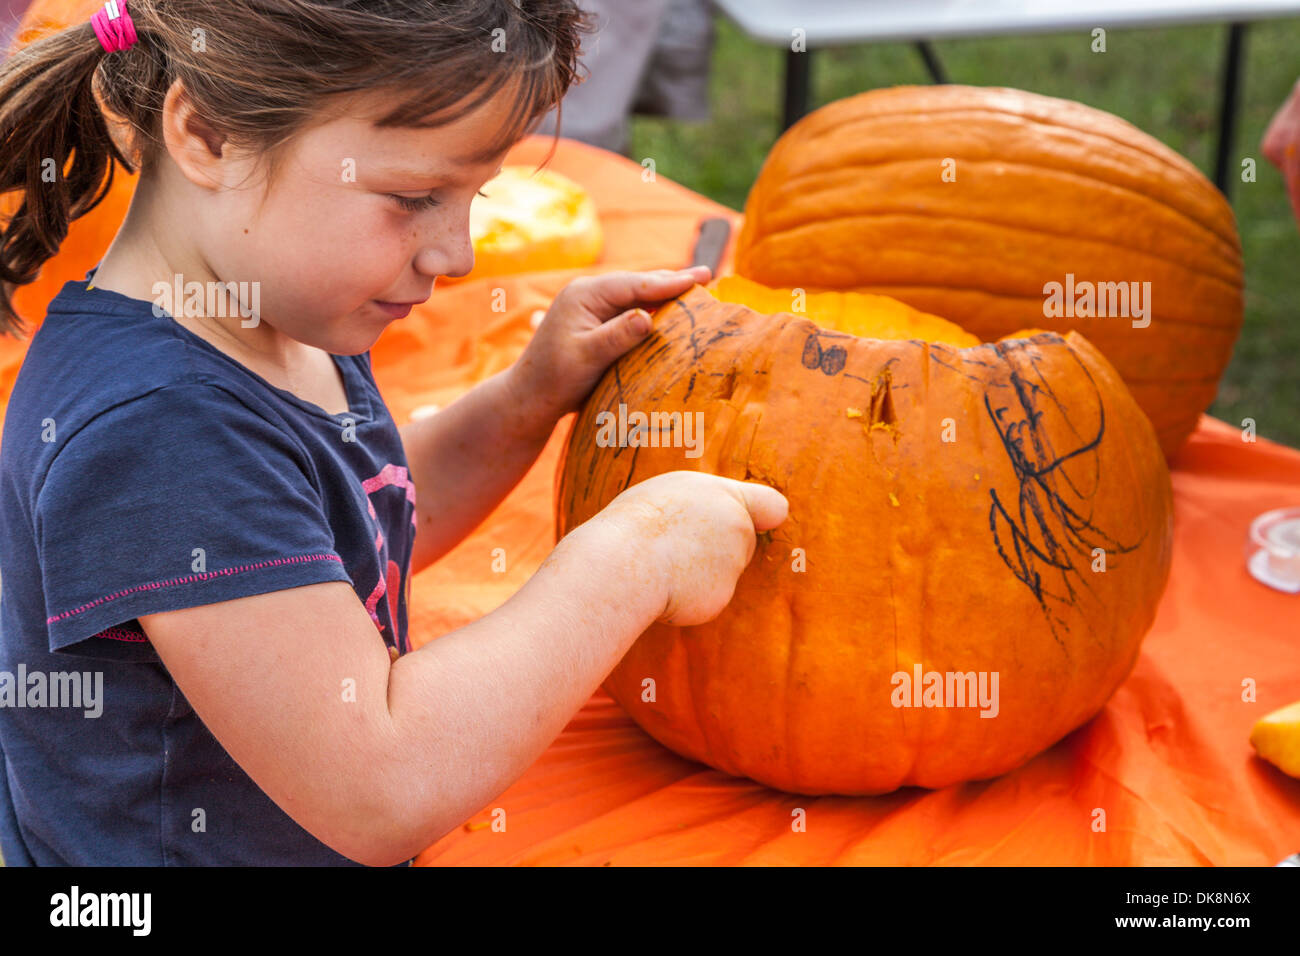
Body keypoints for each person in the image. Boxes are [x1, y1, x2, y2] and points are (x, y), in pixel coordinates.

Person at [0, 0, 787, 866]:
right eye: (413, 197)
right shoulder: (161, 431)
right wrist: (633, 560)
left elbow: (352, 525)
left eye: (472, 195)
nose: (458, 254)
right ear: (211, 136)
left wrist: (523, 401)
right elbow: (378, 786)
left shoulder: (277, 317)